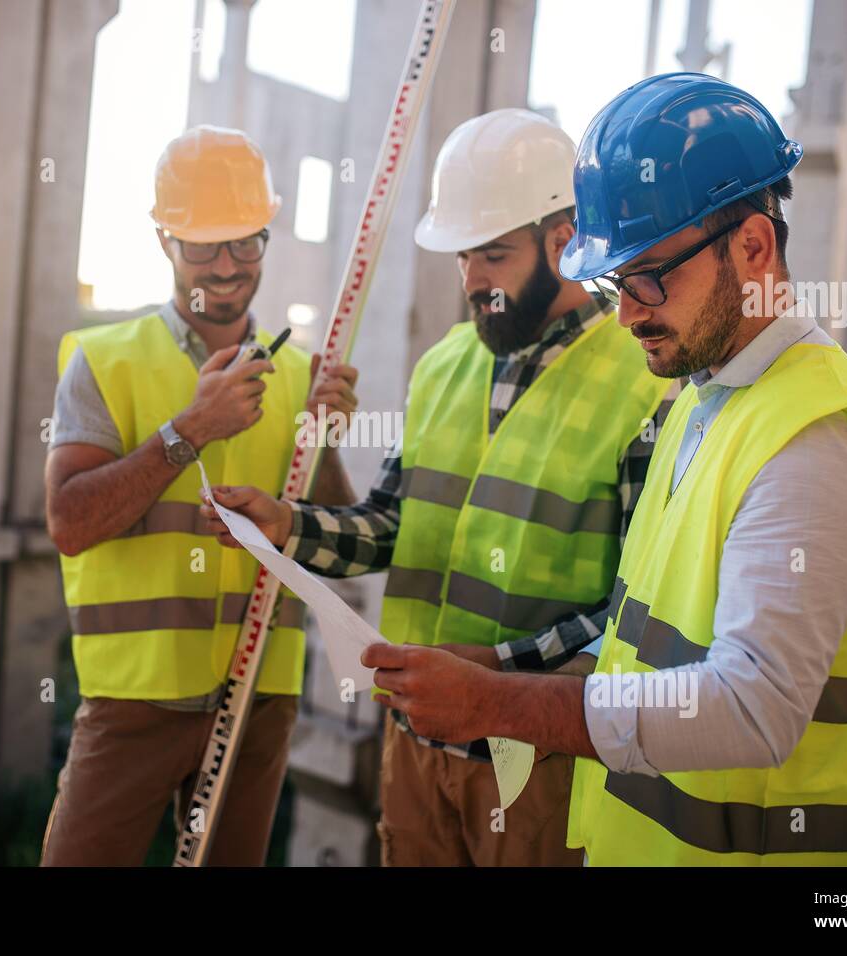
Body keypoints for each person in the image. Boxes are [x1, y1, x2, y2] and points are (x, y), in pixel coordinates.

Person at [361, 74, 847, 866]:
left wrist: (498, 700)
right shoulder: (705, 399)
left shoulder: (816, 439)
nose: (625, 313)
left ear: (754, 247)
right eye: (615, 282)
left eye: (649, 277)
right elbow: (633, 644)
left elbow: (752, 708)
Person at [202, 109, 673, 866]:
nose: (473, 282)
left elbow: (638, 617)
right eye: (463, 258)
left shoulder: (646, 384)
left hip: (538, 765)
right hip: (415, 745)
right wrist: (288, 525)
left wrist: (494, 675)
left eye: (492, 255)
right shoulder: (447, 363)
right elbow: (390, 524)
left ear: (565, 241)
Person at [40, 125, 359, 866]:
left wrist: (327, 440)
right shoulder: (106, 362)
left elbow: (339, 546)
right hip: (132, 705)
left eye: (245, 243)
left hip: (258, 701)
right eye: (203, 246)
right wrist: (189, 430)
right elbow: (70, 521)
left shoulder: (300, 375)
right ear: (164, 242)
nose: (225, 267)